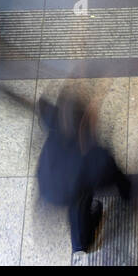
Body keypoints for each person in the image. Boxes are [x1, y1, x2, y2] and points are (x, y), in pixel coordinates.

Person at [36, 89, 131, 258]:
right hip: (65, 190)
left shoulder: (56, 120)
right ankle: (81, 244)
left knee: (80, 194)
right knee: (81, 202)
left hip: (46, 182)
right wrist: (126, 189)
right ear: (83, 127)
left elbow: (43, 107)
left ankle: (81, 241)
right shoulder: (92, 159)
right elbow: (111, 170)